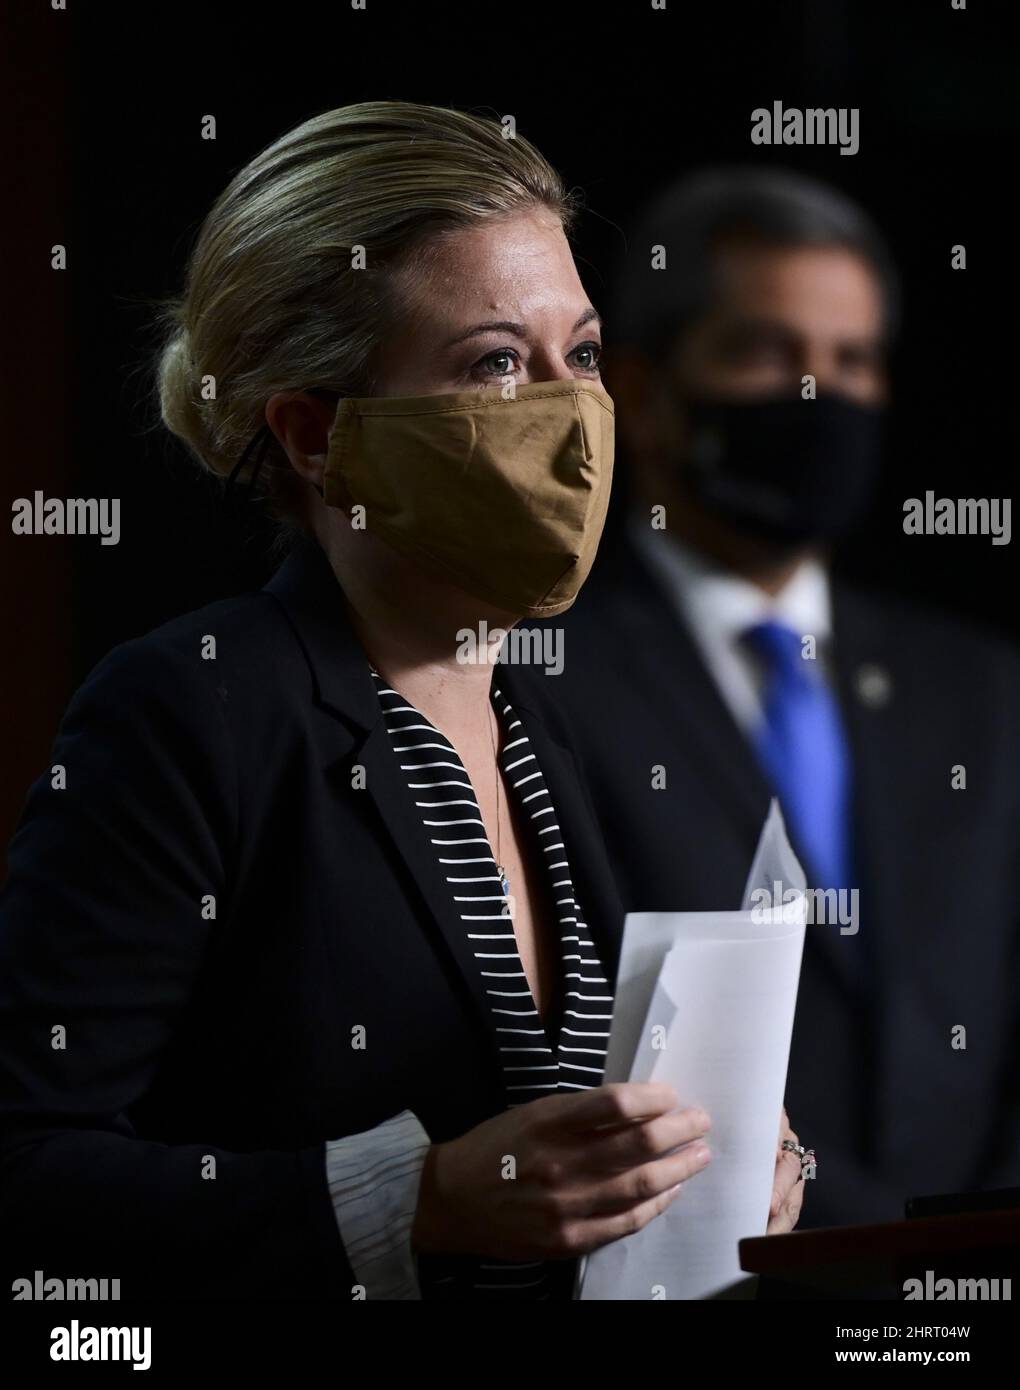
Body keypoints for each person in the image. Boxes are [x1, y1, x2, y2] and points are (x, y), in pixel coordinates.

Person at [0, 107, 805, 1302]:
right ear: (318, 435)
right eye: (494, 363)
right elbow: (25, 1164)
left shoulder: (567, 722)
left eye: (578, 355)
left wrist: (738, 1161)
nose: (574, 420)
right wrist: (410, 1200)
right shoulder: (194, 708)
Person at [540, 166, 1020, 1230]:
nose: (820, 396)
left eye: (851, 360)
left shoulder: (980, 688)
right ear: (645, 390)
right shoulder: (532, 681)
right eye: (768, 352)